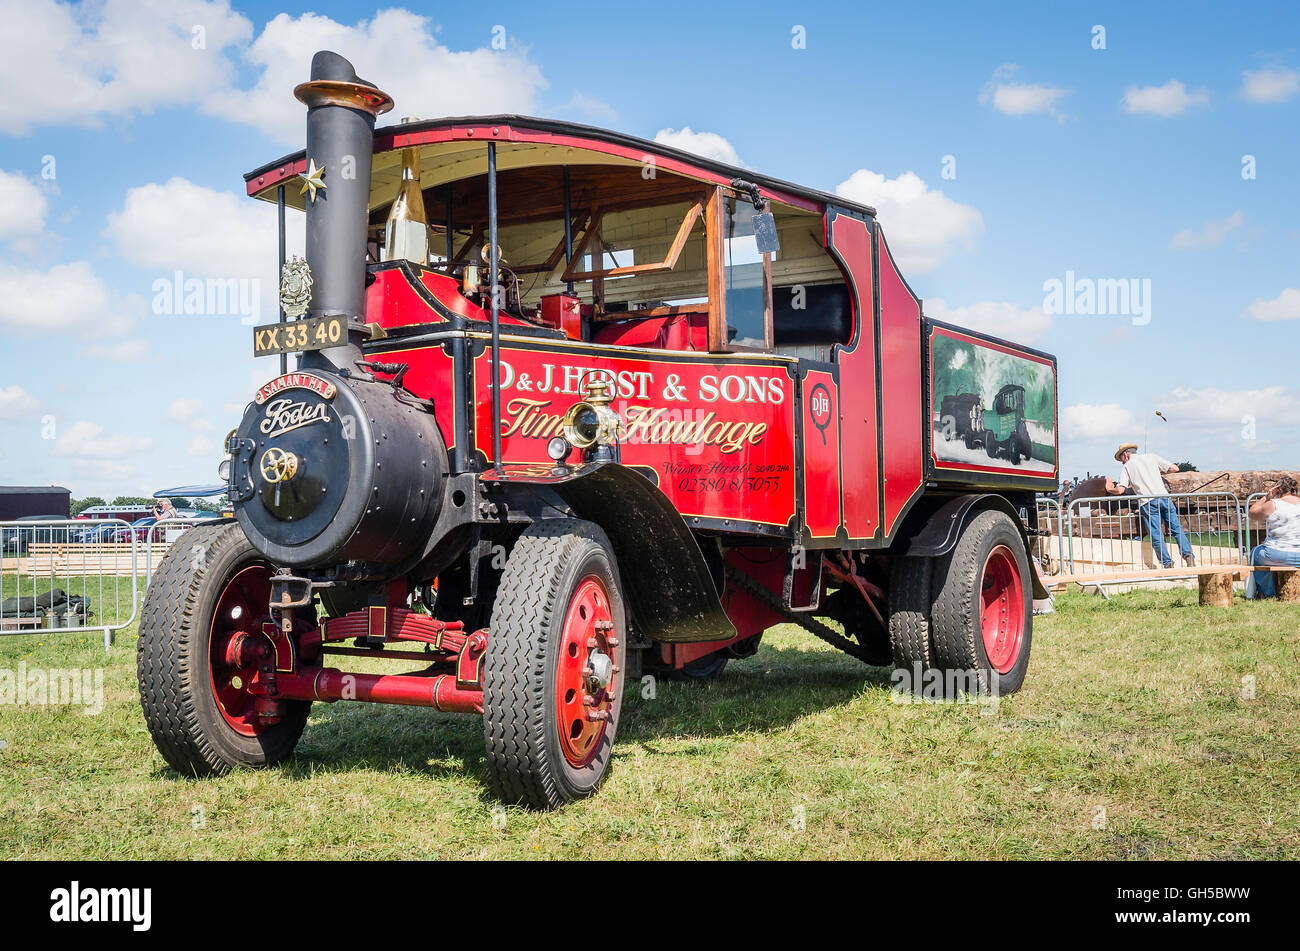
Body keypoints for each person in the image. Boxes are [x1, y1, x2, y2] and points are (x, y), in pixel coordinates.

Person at [1104, 443, 1195, 568]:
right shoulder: (1151, 457)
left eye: (1121, 459)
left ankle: (1167, 563)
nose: (1122, 462)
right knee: (1177, 529)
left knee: (1156, 534)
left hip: (1148, 502)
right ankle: (1188, 556)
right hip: (1164, 498)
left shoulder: (1127, 467)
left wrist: (1109, 488)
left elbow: (1120, 490)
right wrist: (1155, 474)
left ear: (1125, 455)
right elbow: (1174, 468)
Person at [1246, 475, 1300, 598]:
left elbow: (1252, 513)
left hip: (1278, 554)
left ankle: (1267, 592)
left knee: (1256, 553)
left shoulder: (1274, 504)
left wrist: (1267, 496)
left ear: (1278, 489)